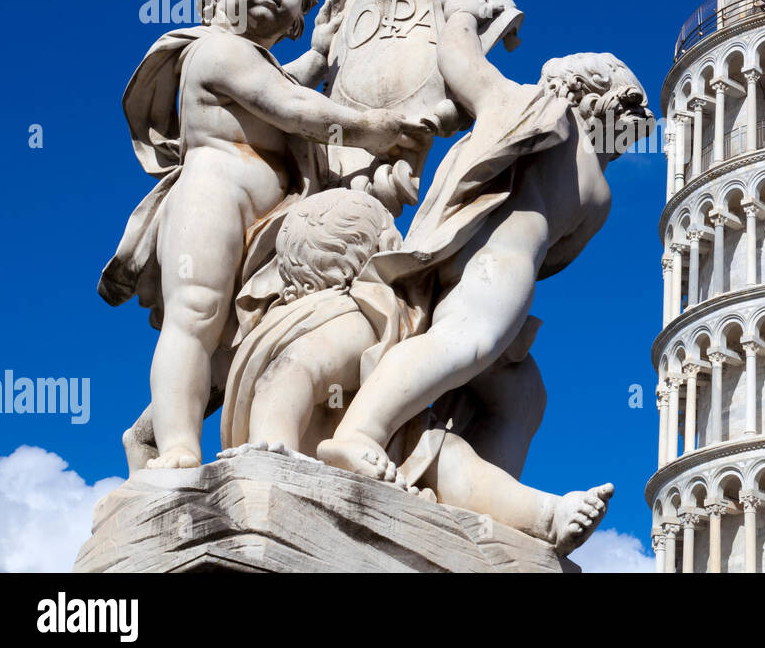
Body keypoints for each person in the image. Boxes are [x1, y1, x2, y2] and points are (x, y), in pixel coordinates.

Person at [99, 0, 426, 470]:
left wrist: (321, 55)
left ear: (299, 13)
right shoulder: (214, 51)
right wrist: (378, 125)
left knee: (232, 349)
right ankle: (179, 447)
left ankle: (149, 434)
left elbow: (286, 83)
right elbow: (295, 108)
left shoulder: (261, 64)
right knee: (197, 316)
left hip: (276, 219)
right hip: (212, 200)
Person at [317, 0, 655, 496]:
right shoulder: (556, 127)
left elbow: (466, 68)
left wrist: (464, 17)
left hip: (492, 266)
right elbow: (559, 256)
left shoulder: (583, 169)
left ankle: (475, 499)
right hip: (502, 268)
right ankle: (359, 432)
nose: (630, 136)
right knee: (465, 343)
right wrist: (461, 12)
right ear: (599, 102)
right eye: (629, 118)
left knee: (521, 394)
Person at [220, 187, 612, 556]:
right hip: (313, 453)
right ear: (381, 251)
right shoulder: (348, 319)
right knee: (449, 457)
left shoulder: (372, 319)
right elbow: (288, 373)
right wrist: (275, 444)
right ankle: (544, 514)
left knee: (446, 454)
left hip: (382, 451)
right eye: (395, 239)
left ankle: (545, 514)